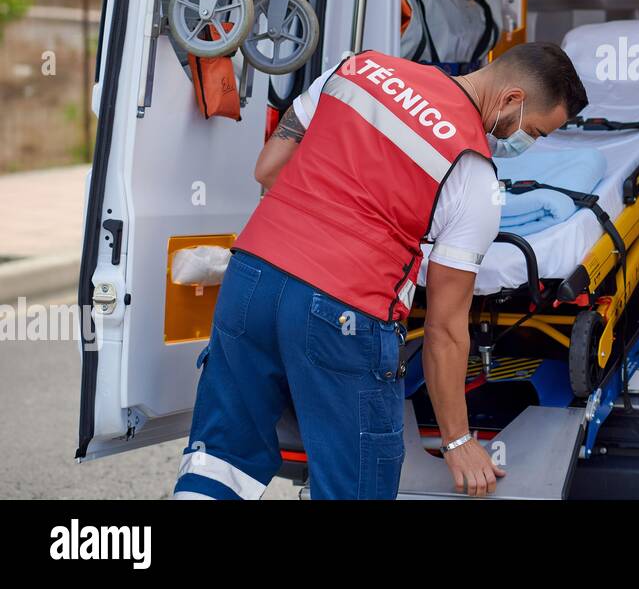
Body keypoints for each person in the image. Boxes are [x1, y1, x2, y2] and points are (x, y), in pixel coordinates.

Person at [172, 42, 588, 500]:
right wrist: (457, 440)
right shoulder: (473, 173)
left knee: (221, 459)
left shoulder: (358, 69)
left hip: (252, 279)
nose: (527, 144)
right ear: (511, 99)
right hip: (345, 310)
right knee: (354, 488)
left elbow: (269, 169)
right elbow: (446, 329)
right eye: (535, 131)